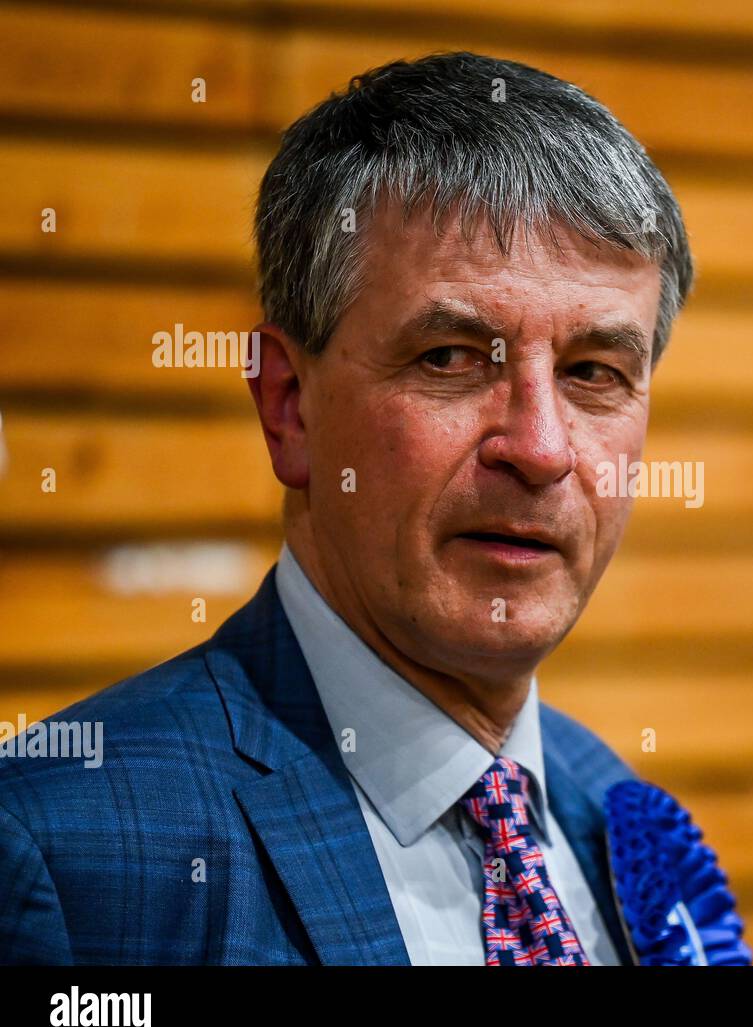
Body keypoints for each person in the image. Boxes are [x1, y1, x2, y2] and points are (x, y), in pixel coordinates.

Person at [0, 51, 715, 966]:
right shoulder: (67, 858)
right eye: (450, 358)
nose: (541, 448)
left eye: (593, 374)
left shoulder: (628, 828)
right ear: (289, 405)